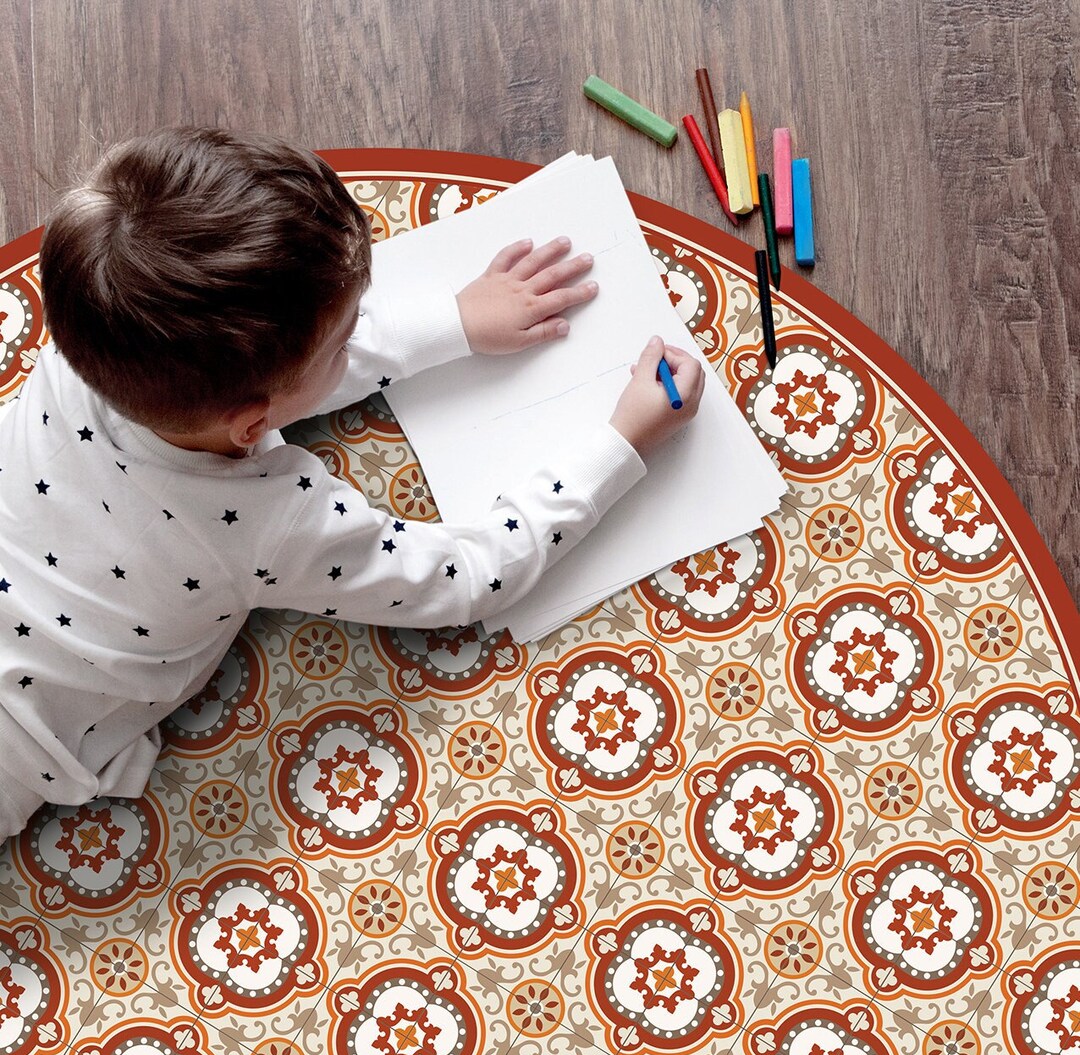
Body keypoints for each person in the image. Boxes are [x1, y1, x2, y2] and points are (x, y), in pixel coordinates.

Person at [0, 127, 704, 843]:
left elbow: (284, 381)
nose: (360, 333)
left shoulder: (90, 336)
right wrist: (623, 443)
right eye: (347, 338)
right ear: (250, 425)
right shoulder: (265, 523)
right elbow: (464, 579)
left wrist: (453, 321)